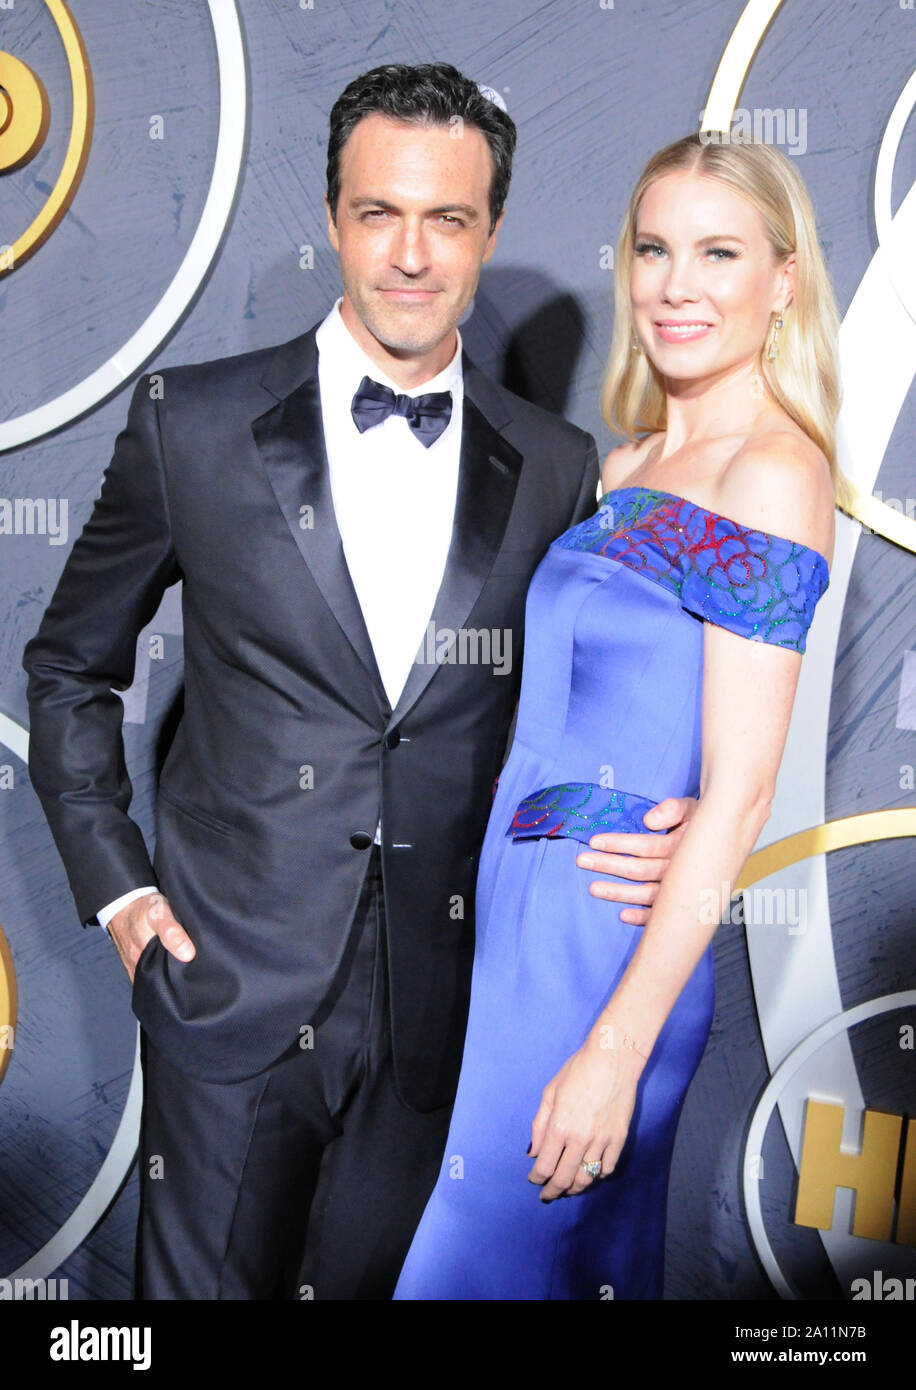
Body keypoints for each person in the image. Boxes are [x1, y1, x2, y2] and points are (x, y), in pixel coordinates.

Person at [21, 64, 695, 1301]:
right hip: (225, 990)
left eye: (446, 218)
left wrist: (670, 815)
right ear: (332, 216)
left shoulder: (552, 463)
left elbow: (576, 697)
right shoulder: (195, 421)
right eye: (378, 212)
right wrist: (120, 894)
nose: (409, 254)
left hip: (446, 1010)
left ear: (490, 231)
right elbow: (67, 663)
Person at [394, 130, 843, 1300]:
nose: (675, 285)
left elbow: (740, 789)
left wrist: (614, 1046)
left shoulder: (771, 473)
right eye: (653, 248)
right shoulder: (622, 464)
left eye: (717, 251)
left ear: (781, 280)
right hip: (513, 919)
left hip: (600, 945)